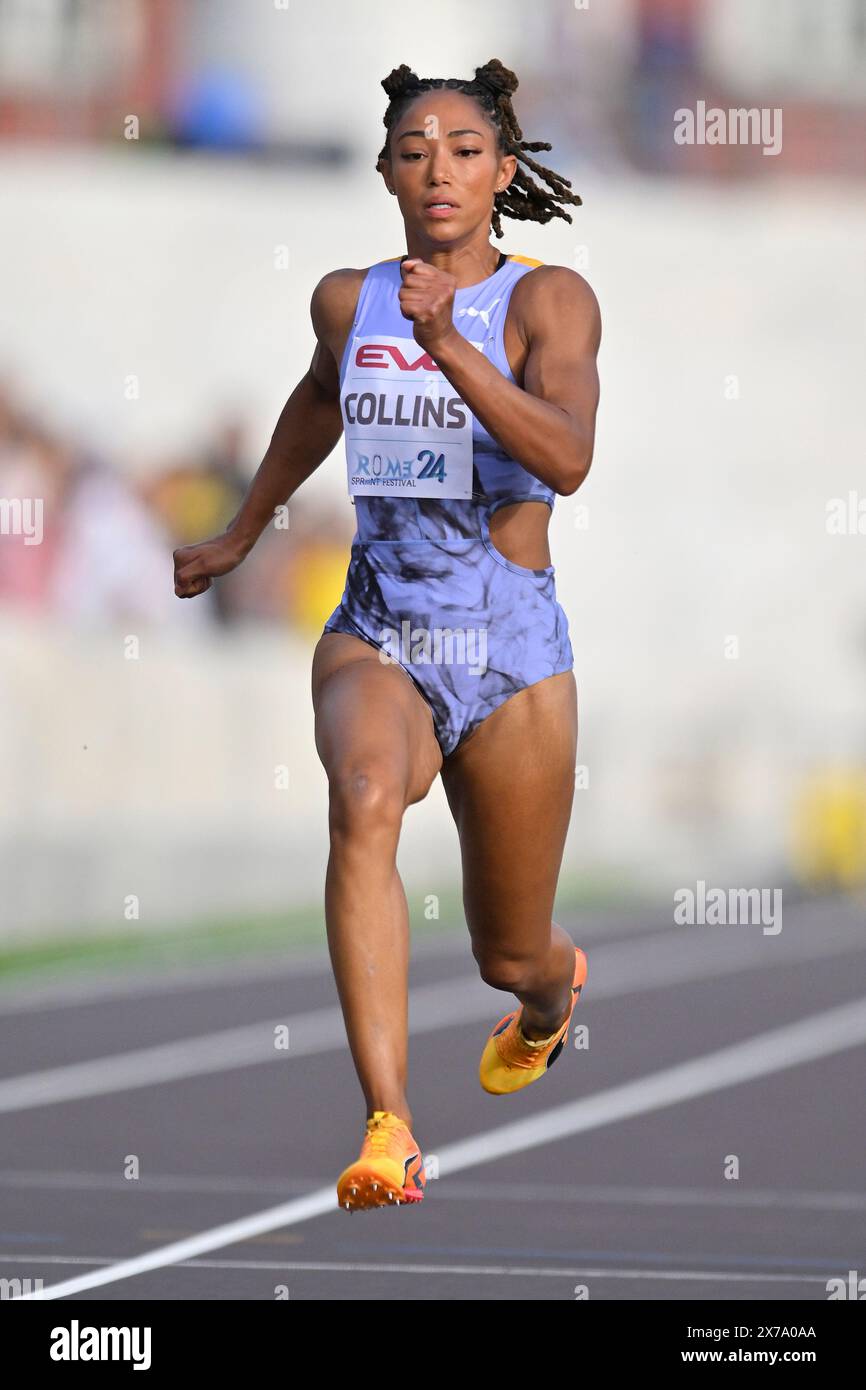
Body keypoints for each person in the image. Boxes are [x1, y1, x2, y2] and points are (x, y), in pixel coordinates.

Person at [173, 58, 601, 1212]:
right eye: (414, 152)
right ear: (384, 174)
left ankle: (554, 992)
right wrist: (241, 531)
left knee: (504, 956)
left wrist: (449, 343)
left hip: (509, 653)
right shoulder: (345, 300)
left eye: (464, 150)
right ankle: (390, 1126)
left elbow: (566, 456)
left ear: (502, 171)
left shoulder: (548, 301)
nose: (438, 171)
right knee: (361, 795)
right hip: (380, 632)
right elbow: (320, 398)